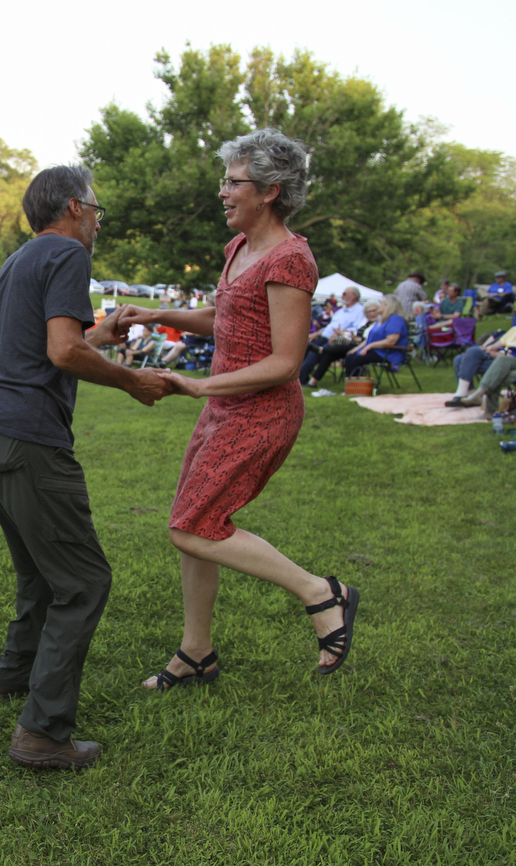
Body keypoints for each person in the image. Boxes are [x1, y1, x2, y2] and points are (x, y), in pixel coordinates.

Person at [121, 129, 360, 697]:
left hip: (262, 413)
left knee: (191, 527)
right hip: (226, 408)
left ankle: (320, 593)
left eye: (234, 182)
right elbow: (226, 317)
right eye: (224, 180)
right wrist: (157, 316)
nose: (223, 192)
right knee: (194, 521)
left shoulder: (291, 259)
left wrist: (201, 386)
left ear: (270, 191)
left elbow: (285, 361)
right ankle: (196, 653)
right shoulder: (238, 250)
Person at [0, 164, 169, 770]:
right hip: (29, 442)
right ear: (76, 207)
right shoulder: (69, 255)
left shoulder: (20, 259)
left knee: (38, 572)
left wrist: (99, 333)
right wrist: (133, 380)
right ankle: (43, 734)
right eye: (98, 210)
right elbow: (61, 351)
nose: (99, 221)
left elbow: (48, 347)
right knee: (82, 583)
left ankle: (12, 679)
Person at [303, 299, 381, 388]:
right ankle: (312, 383)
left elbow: (368, 339)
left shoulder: (379, 324)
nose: (372, 313)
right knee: (329, 355)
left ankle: (322, 350)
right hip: (353, 342)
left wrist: (355, 338)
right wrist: (342, 333)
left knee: (337, 348)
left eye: (374, 310)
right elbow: (354, 334)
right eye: (369, 311)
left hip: (363, 347)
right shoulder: (365, 322)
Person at [299, 287, 366, 385]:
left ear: (354, 296)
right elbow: (329, 327)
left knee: (313, 354)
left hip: (338, 341)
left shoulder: (360, 311)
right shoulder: (341, 311)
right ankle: (295, 378)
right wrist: (315, 333)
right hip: (324, 337)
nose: (342, 296)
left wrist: (340, 334)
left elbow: (356, 330)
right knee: (302, 349)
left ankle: (301, 379)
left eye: (344, 293)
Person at [342, 294, 409, 377]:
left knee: (357, 359)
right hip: (377, 350)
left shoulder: (396, 319)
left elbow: (391, 341)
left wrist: (370, 346)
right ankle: (352, 386)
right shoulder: (382, 320)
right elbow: (370, 338)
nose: (379, 305)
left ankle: (355, 387)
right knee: (350, 356)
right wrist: (356, 349)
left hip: (388, 352)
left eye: (381, 303)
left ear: (388, 306)